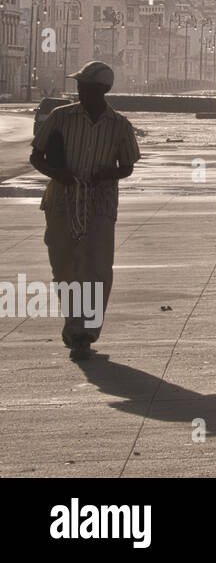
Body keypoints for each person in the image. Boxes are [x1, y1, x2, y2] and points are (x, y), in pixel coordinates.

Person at [29, 61, 141, 360]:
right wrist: (59, 174)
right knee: (64, 266)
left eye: (85, 86)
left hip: (100, 204)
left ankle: (84, 332)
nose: (79, 90)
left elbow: (127, 166)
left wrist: (104, 176)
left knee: (96, 270)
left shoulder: (119, 125)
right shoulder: (60, 117)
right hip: (61, 201)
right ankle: (73, 323)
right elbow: (36, 156)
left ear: (100, 90)